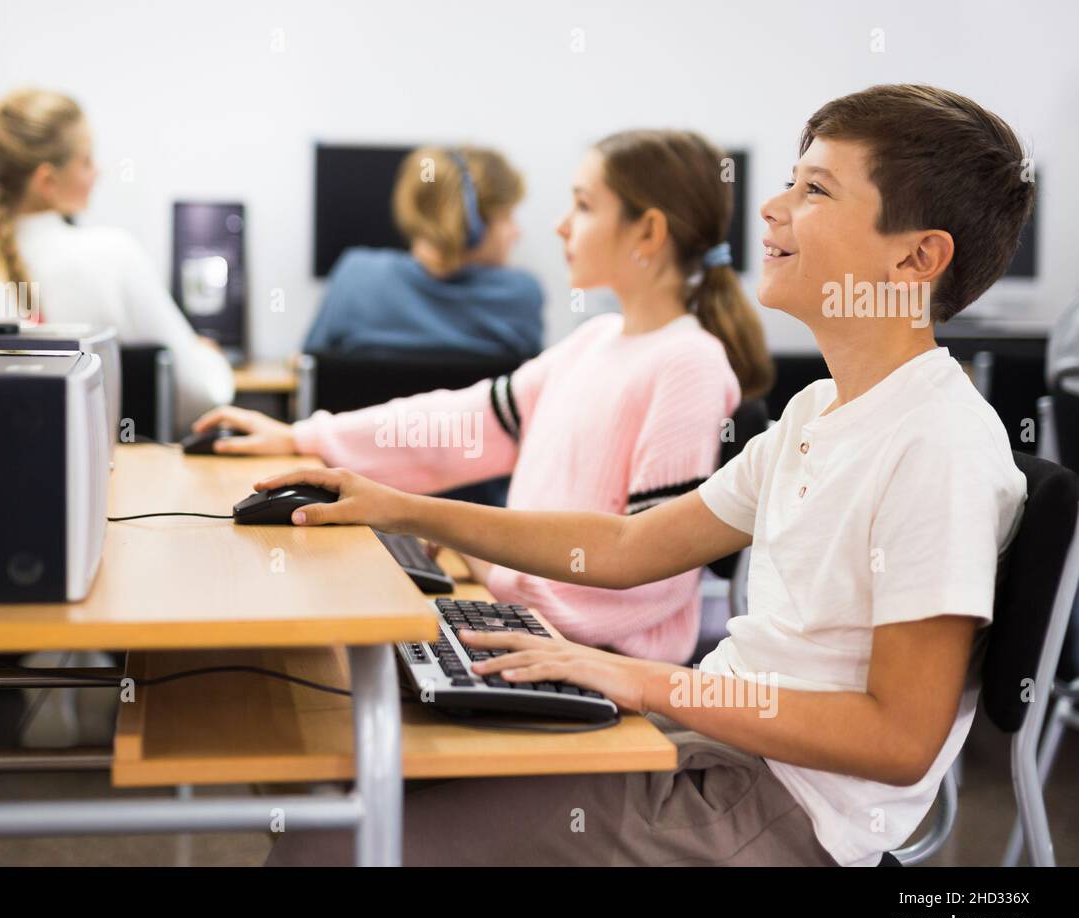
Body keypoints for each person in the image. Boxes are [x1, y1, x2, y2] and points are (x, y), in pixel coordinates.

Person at [257, 85, 1033, 867]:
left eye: (814, 189)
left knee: (333, 845)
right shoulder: (819, 411)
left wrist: (638, 681)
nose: (770, 207)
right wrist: (399, 508)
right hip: (709, 741)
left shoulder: (937, 446)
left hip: (774, 806)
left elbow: (897, 740)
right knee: (346, 764)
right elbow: (627, 545)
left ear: (917, 256)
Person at [196, 130, 773, 664]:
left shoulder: (689, 363)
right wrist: (303, 437)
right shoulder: (595, 341)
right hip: (534, 631)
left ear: (647, 232)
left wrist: (490, 565)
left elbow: (648, 574)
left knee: (338, 706)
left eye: (583, 205)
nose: (559, 226)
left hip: (597, 666)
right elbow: (461, 422)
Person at [0, 89, 234, 433]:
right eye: (86, 161)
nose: (98, 171)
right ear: (46, 181)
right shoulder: (113, 255)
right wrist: (210, 359)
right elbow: (203, 395)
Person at [303, 145, 543, 359]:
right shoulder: (521, 295)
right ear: (475, 225)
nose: (517, 232)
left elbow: (308, 370)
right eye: (508, 216)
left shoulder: (356, 277)